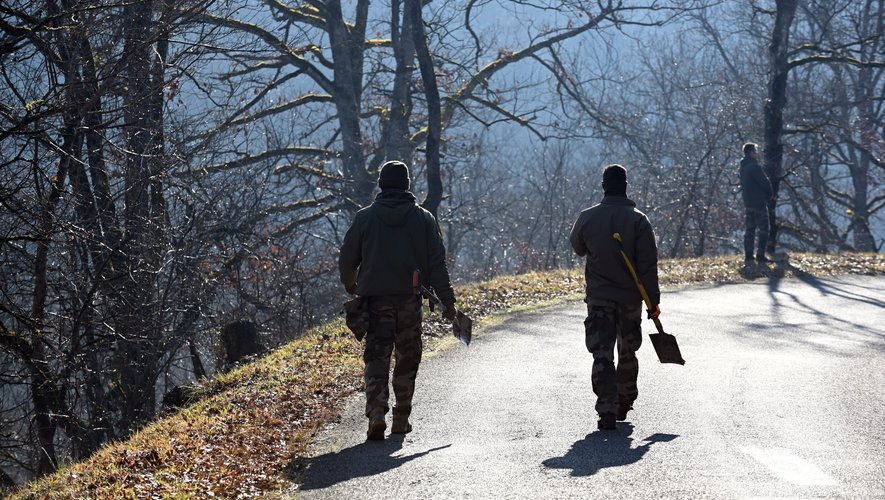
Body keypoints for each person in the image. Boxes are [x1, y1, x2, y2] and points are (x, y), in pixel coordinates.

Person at [339, 160, 456, 441]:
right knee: (407, 356)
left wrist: (352, 284)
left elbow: (347, 259)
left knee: (377, 357)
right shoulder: (424, 218)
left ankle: (376, 412)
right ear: (406, 184)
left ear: (381, 183)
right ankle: (401, 418)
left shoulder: (365, 218)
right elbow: (437, 264)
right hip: (409, 300)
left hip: (374, 301)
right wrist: (447, 301)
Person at [568, 164, 661, 431]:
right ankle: (624, 399)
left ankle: (606, 409)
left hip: (599, 298)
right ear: (626, 186)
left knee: (602, 353)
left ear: (603, 187)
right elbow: (647, 266)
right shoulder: (639, 220)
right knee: (628, 350)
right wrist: (653, 303)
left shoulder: (587, 217)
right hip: (631, 298)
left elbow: (577, 247)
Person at [739, 143, 773, 265]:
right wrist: (770, 194)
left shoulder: (743, 167)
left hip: (748, 201)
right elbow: (765, 182)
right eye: (755, 151)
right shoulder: (754, 166)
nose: (757, 153)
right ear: (752, 152)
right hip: (758, 202)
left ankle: (748, 256)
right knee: (764, 229)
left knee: (750, 229)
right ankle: (760, 255)